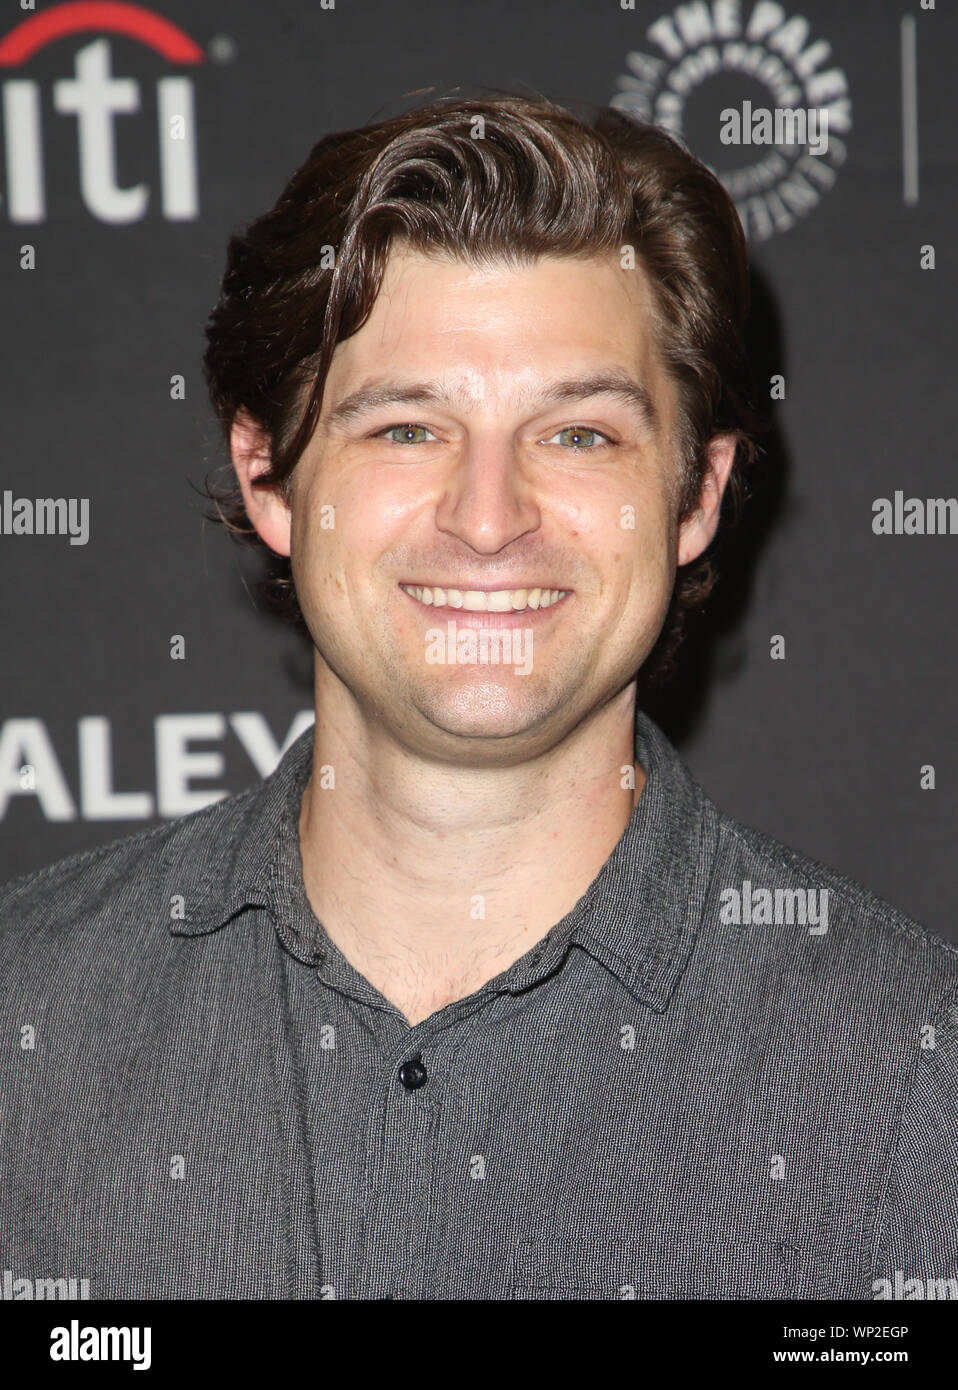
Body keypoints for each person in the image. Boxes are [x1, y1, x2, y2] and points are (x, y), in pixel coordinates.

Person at [2, 94, 956, 1303]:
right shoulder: (22, 1027)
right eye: (407, 428)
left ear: (696, 493)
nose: (489, 517)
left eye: (579, 436)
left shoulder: (914, 1081)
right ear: (270, 479)